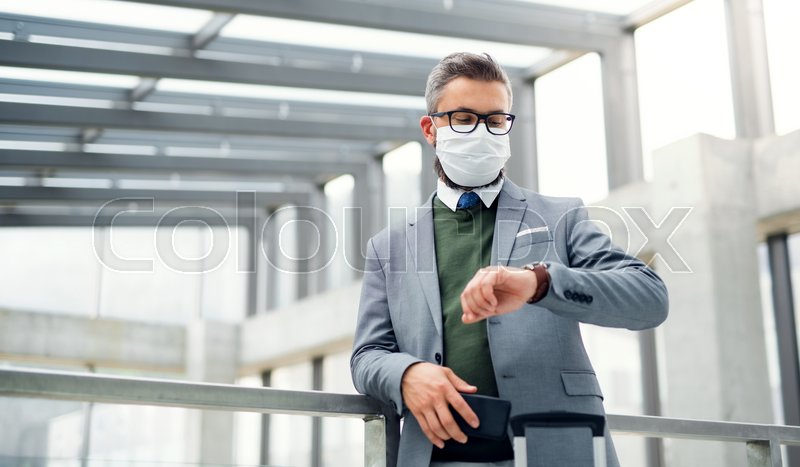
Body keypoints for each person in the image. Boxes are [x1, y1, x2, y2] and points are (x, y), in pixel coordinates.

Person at [350, 52, 668, 467]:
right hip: (437, 454)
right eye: (464, 118)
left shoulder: (561, 217)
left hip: (555, 448)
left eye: (495, 120)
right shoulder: (388, 245)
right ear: (431, 129)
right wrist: (406, 374)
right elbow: (367, 355)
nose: (482, 132)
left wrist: (541, 283)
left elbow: (650, 299)